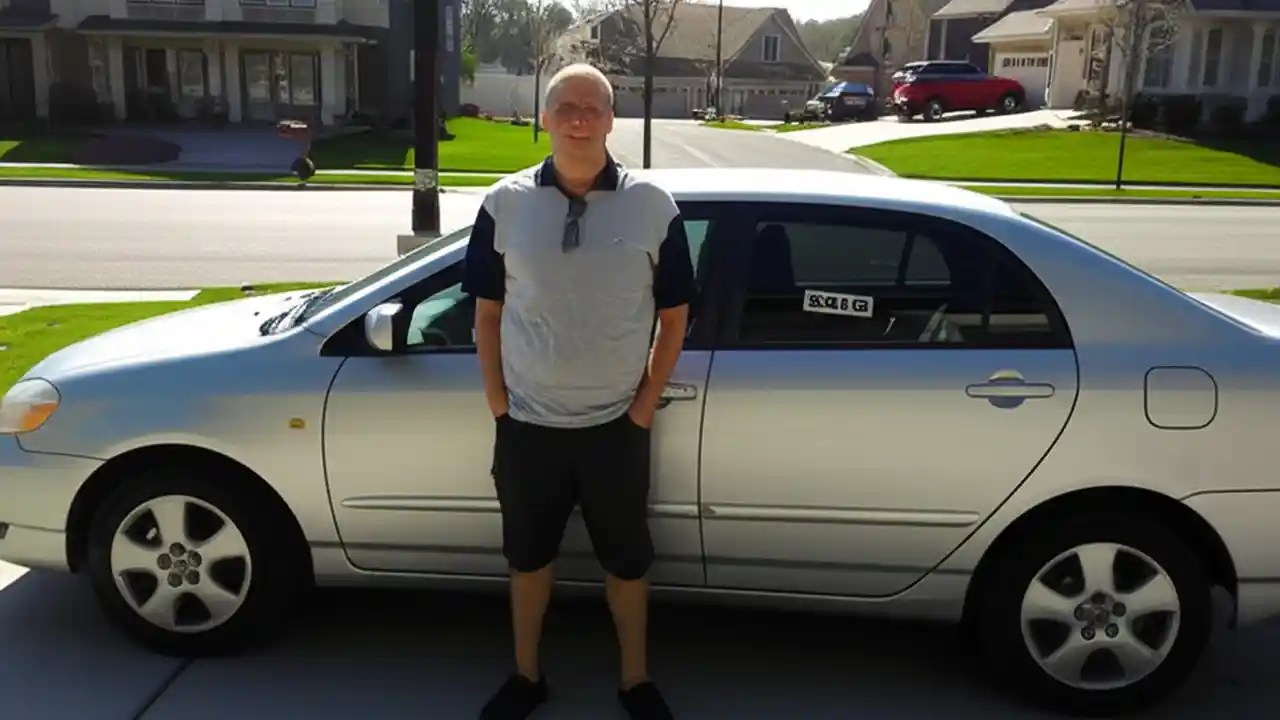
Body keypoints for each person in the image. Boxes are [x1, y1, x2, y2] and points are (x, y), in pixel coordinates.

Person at [461, 63, 694, 720]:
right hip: (528, 428)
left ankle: (635, 681)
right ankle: (526, 676)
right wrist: (499, 404)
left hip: (615, 429)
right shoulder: (503, 204)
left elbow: (675, 316)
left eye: (593, 106)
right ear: (545, 117)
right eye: (566, 106)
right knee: (528, 559)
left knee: (627, 562)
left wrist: (642, 408)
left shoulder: (653, 206)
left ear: (612, 119)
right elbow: (486, 313)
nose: (580, 118)